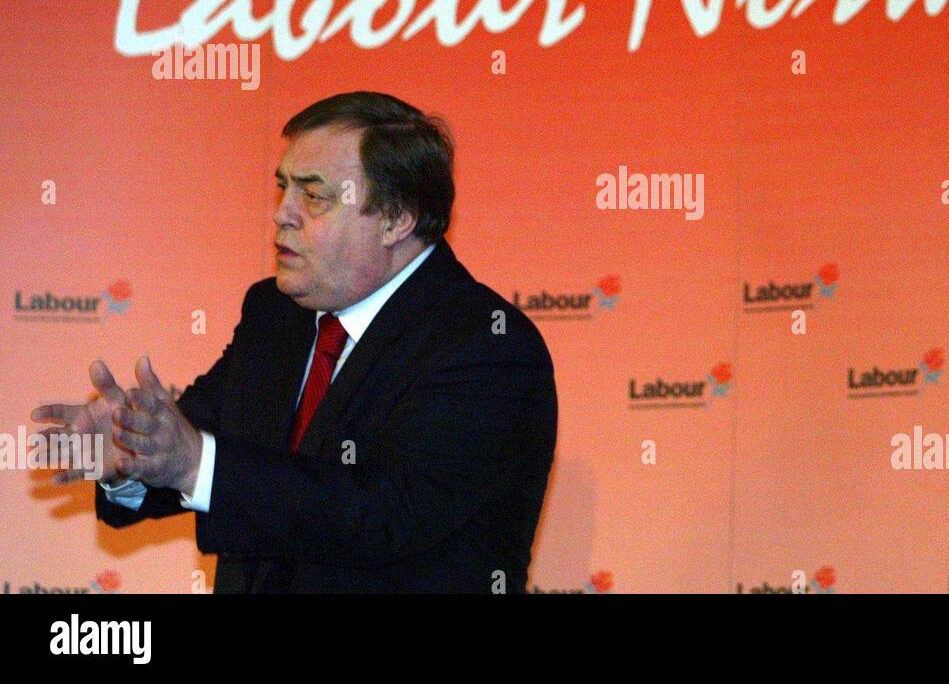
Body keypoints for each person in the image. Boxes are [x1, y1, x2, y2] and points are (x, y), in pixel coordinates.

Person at [32, 91, 558, 593]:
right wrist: (135, 450)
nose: (283, 213)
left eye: (313, 194)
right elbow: (201, 441)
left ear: (397, 219)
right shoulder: (274, 315)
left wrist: (194, 462)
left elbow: (383, 517)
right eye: (282, 187)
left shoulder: (487, 345)